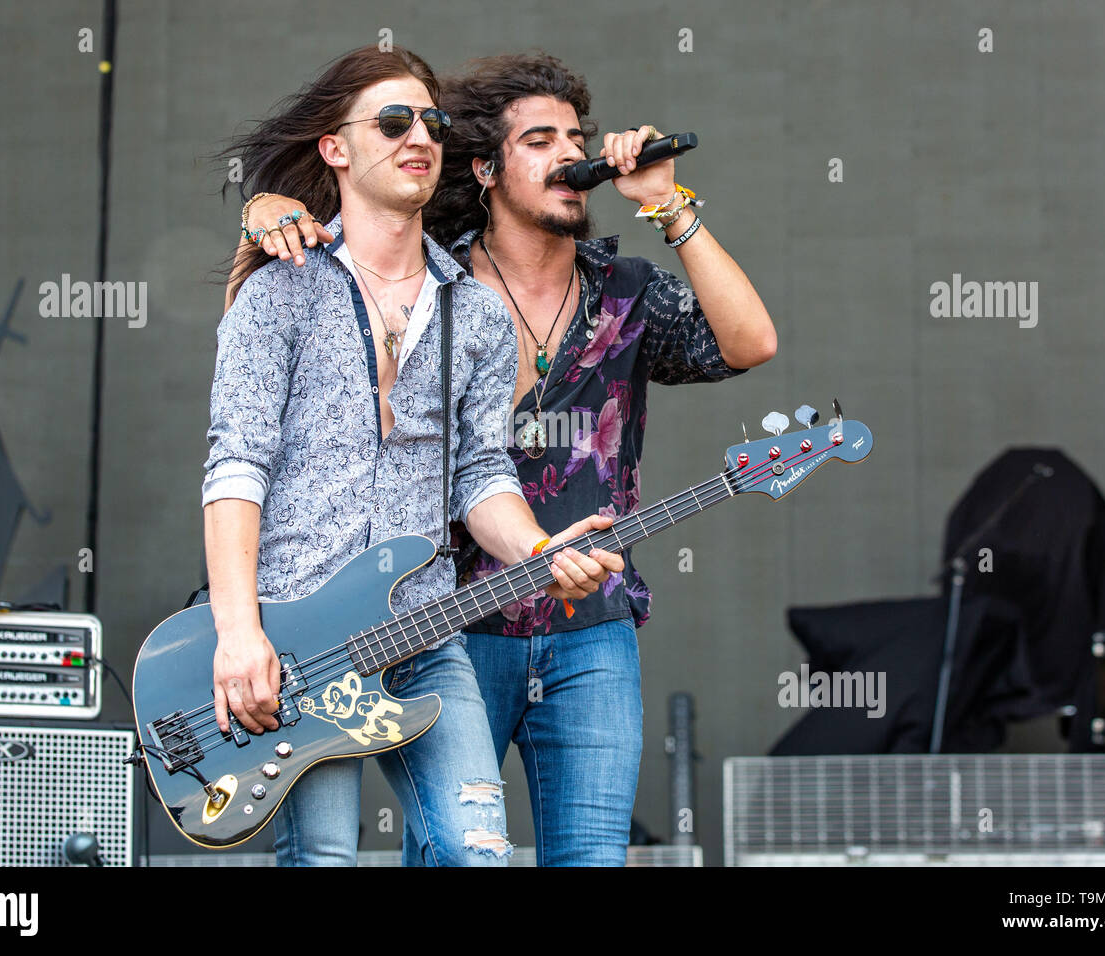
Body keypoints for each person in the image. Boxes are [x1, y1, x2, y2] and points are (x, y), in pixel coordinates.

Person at [238, 52, 775, 865]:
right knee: (449, 851)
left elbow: (749, 343)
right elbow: (347, 241)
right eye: (540, 139)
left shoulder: (624, 289)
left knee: (589, 855)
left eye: (576, 136)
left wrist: (668, 204)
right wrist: (264, 211)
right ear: (486, 168)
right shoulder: (436, 283)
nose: (570, 152)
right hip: (452, 618)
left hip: (590, 625)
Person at [206, 45, 622, 867]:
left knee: (478, 850)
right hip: (292, 633)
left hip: (421, 632)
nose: (418, 137)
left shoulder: (475, 312)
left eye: (430, 122)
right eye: (393, 122)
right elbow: (236, 467)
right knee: (322, 856)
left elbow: (480, 476)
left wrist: (539, 552)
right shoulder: (281, 288)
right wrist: (237, 632)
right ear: (336, 147)